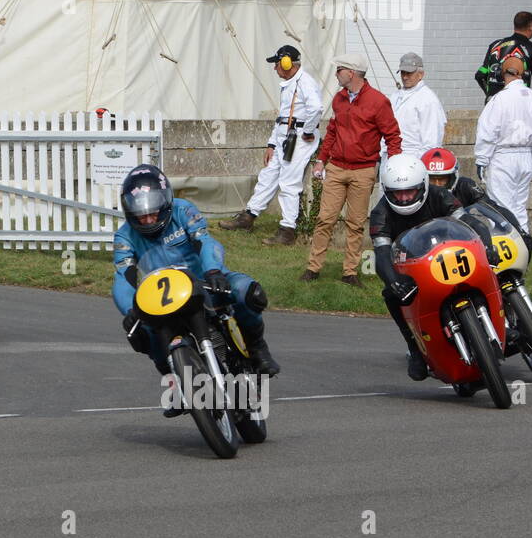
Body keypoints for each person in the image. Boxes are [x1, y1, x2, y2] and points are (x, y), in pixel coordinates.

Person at [113, 165, 278, 416]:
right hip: (162, 300)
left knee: (249, 293)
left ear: (165, 203)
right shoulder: (124, 236)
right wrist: (131, 309)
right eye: (140, 216)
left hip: (206, 281)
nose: (147, 219)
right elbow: (122, 276)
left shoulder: (183, 210)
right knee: (141, 334)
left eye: (153, 213)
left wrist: (213, 270)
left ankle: (257, 347)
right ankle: (175, 381)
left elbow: (204, 240)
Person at [371, 154, 499, 381]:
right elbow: (381, 255)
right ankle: (415, 349)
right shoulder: (380, 213)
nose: (403, 198)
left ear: (422, 186)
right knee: (390, 295)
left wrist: (487, 246)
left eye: (410, 191)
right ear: (386, 191)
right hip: (413, 267)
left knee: (492, 268)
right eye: (397, 193)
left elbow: (471, 222)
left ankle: (504, 318)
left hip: (449, 252)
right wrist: (394, 281)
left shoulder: (440, 194)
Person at [302, 53, 402, 286]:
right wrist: (321, 159)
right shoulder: (339, 99)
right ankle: (313, 268)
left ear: (352, 73)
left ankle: (350, 272)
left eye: (339, 70)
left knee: (355, 223)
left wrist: (394, 165)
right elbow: (333, 133)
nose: (336, 73)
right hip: (336, 167)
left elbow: (392, 136)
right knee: (325, 219)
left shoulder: (378, 101)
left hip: (363, 170)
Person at [219, 44, 323, 246]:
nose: (275, 68)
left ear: (287, 63)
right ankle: (249, 216)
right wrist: (271, 144)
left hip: (299, 137)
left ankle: (287, 230)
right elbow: (282, 118)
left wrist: (309, 130)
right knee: (268, 176)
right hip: (286, 135)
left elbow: (316, 108)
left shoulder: (305, 83)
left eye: (277, 64)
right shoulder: (290, 83)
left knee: (289, 182)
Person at [473, 54, 532, 231]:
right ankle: (524, 247)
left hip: (503, 158)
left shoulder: (499, 99)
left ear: (503, 74)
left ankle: (505, 254)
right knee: (519, 208)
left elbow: (488, 131)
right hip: (526, 157)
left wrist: (482, 159)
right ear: (522, 74)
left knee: (500, 211)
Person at [420, 147, 532, 247]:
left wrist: (520, 231)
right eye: (432, 180)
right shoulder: (415, 195)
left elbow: (494, 209)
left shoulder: (466, 186)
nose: (438, 185)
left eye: (442, 179)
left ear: (453, 177)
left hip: (463, 240)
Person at [475, 11, 532, 111]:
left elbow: (480, 75)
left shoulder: (495, 45)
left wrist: (491, 94)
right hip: (518, 105)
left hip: (493, 105)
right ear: (530, 26)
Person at [388, 52, 446, 160]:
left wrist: (420, 161)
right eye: (402, 73)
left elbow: (432, 140)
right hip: (391, 156)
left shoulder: (428, 100)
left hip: (413, 160)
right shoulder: (395, 96)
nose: (405, 77)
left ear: (420, 74)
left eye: (409, 73)